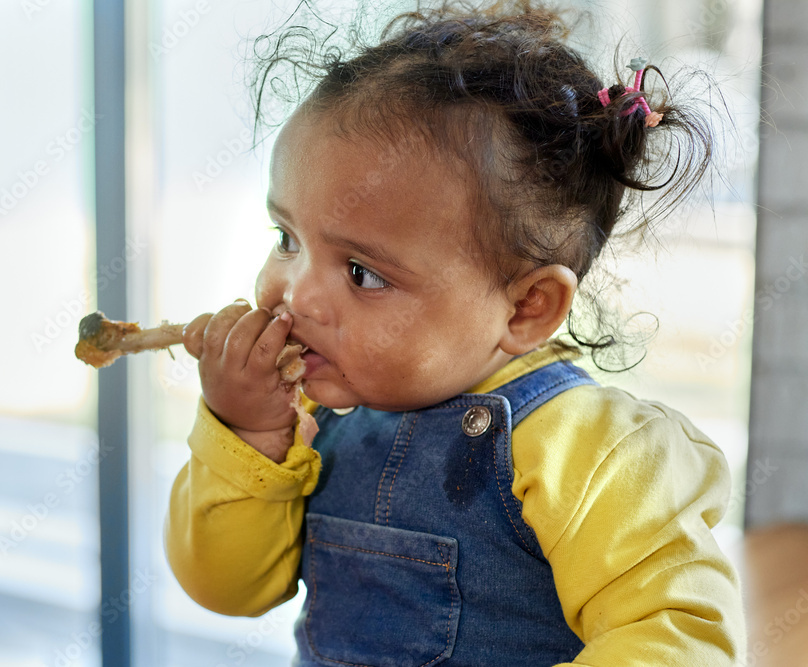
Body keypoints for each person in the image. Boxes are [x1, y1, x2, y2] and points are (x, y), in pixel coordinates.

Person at [164, 1, 746, 664]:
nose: (292, 293)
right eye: (286, 238)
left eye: (361, 271)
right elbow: (225, 586)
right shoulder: (308, 421)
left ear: (526, 308)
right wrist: (249, 438)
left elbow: (679, 638)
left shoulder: (591, 450)